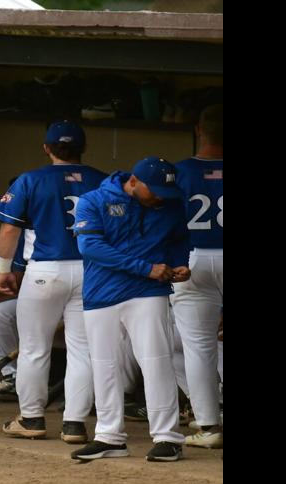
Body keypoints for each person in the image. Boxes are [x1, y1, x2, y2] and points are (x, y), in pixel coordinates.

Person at [0, 121, 107, 444]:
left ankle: (31, 418)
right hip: (90, 269)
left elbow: (9, 229)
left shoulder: (32, 179)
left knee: (33, 348)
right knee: (82, 350)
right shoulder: (103, 180)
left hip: (45, 270)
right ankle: (74, 424)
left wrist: (3, 270)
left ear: (47, 148)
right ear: (83, 147)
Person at [69, 157, 189, 463]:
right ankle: (109, 436)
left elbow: (178, 239)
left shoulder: (170, 204)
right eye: (156, 190)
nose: (161, 196)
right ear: (133, 181)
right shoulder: (93, 200)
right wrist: (146, 268)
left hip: (149, 292)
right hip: (103, 292)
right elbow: (91, 247)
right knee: (105, 366)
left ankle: (167, 437)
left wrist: (180, 263)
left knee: (156, 362)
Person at [171, 104, 223, 450]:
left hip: (192, 261)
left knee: (199, 347)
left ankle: (209, 426)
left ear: (198, 130)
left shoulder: (178, 172)